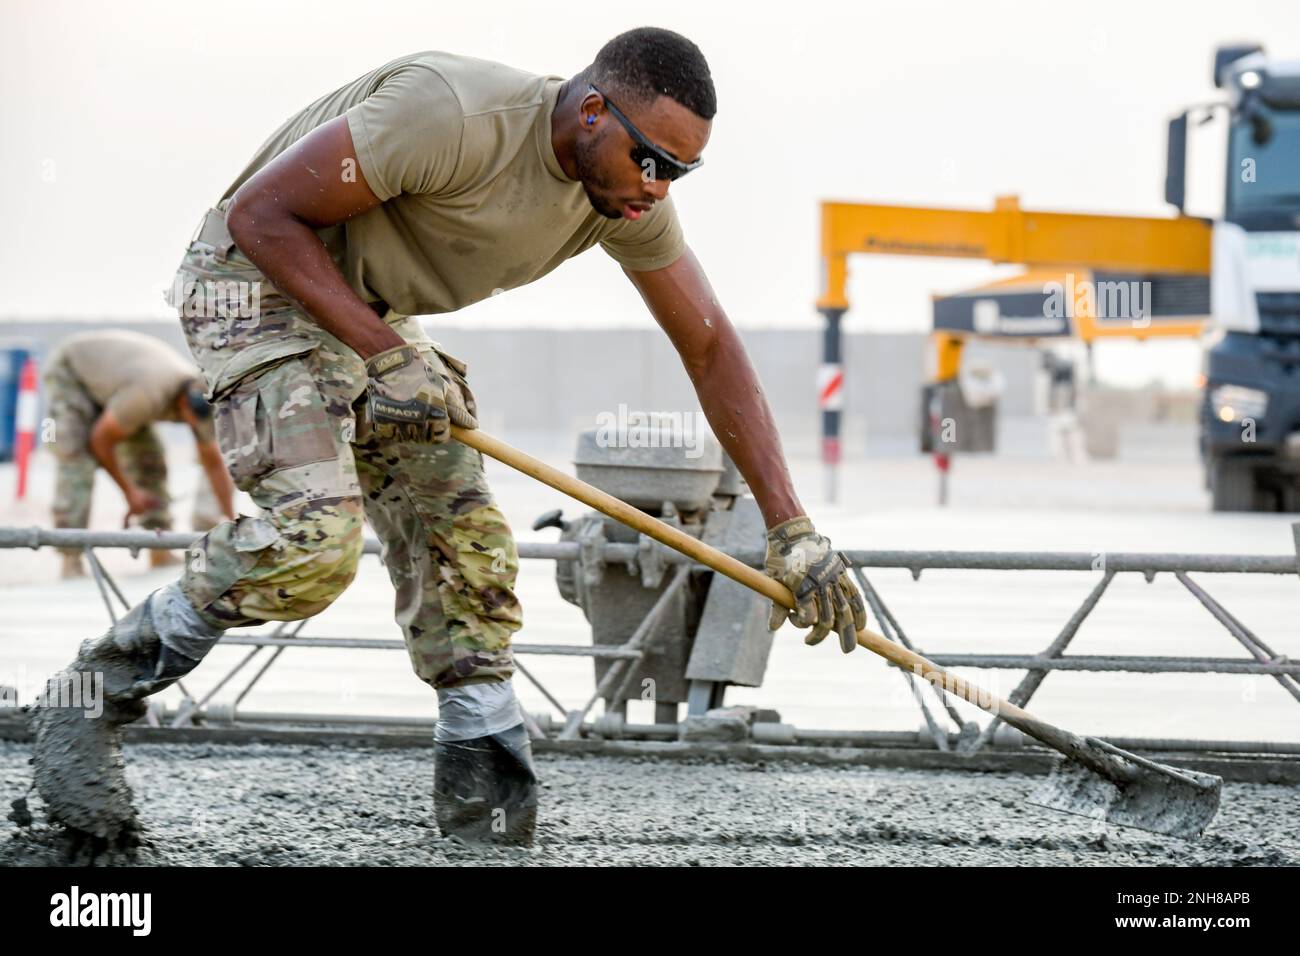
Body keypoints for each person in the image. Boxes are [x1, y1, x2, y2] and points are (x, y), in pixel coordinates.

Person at [30, 27, 866, 848]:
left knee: (467, 542)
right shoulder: (450, 114)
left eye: (683, 171)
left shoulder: (627, 200)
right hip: (251, 282)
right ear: (593, 113)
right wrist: (388, 357)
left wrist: (790, 527)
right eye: (652, 160)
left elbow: (712, 345)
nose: (660, 189)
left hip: (370, 310)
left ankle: (486, 793)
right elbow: (261, 215)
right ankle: (94, 689)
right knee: (315, 544)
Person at [42, 330, 237, 578]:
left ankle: (159, 550)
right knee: (76, 459)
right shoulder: (146, 396)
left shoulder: (202, 400)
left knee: (149, 462)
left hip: (120, 385)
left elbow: (214, 466)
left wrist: (232, 520)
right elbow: (100, 442)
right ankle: (70, 559)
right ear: (183, 404)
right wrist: (130, 492)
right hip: (73, 372)